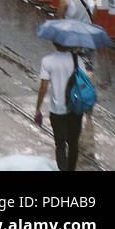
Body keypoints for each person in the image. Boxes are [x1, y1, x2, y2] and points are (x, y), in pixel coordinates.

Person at [36, 43, 87, 171]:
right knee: (73, 143)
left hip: (57, 110)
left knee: (60, 145)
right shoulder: (77, 60)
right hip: (75, 109)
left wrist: (38, 108)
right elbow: (85, 83)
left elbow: (43, 87)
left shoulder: (48, 61)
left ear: (54, 43)